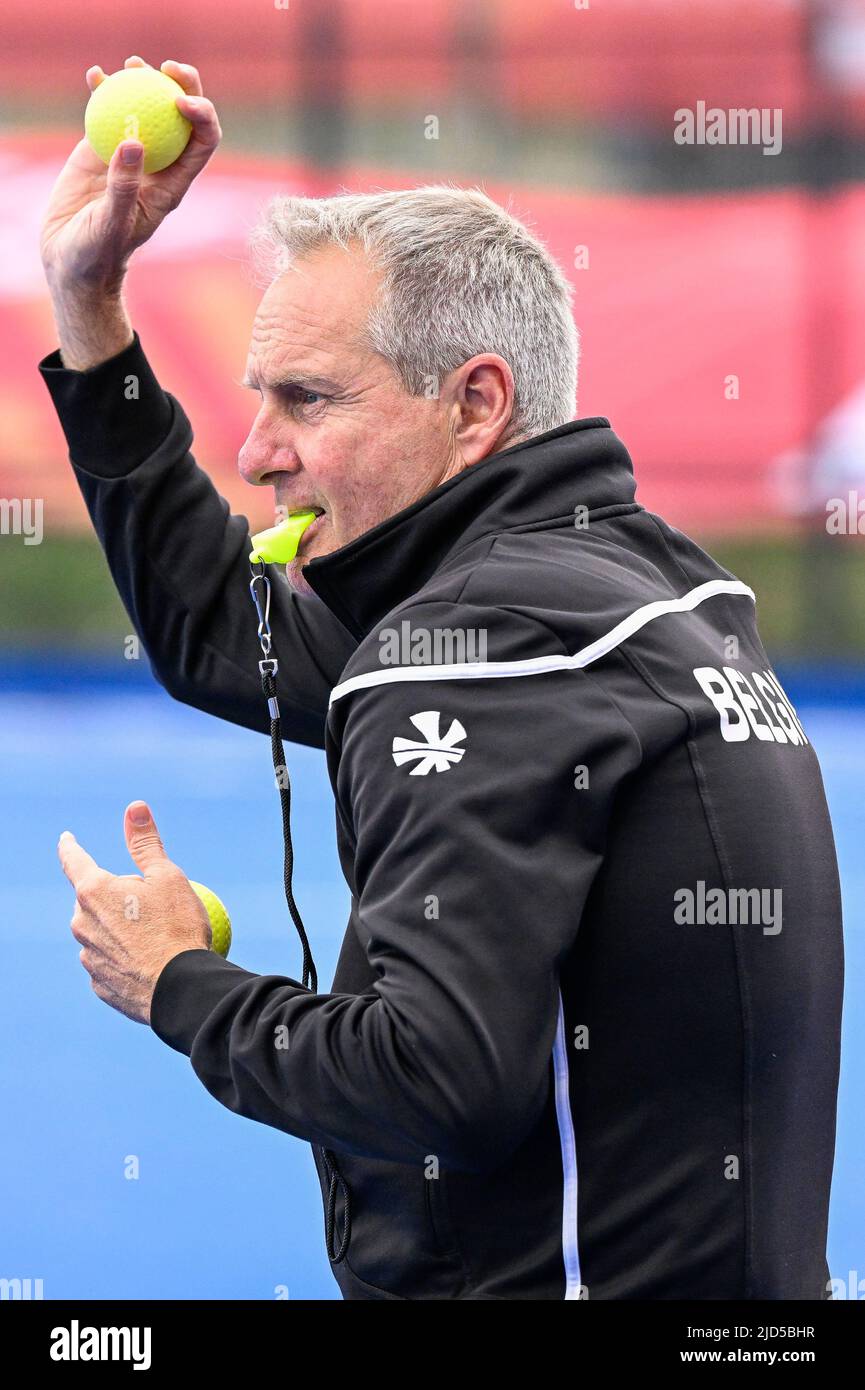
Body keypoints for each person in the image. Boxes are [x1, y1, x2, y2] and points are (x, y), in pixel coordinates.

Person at [39, 57, 844, 1301]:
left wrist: (178, 985)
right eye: (257, 398)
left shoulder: (482, 653)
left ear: (473, 406)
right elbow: (221, 632)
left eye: (306, 399)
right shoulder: (645, 592)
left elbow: (434, 1083)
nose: (257, 451)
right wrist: (89, 310)